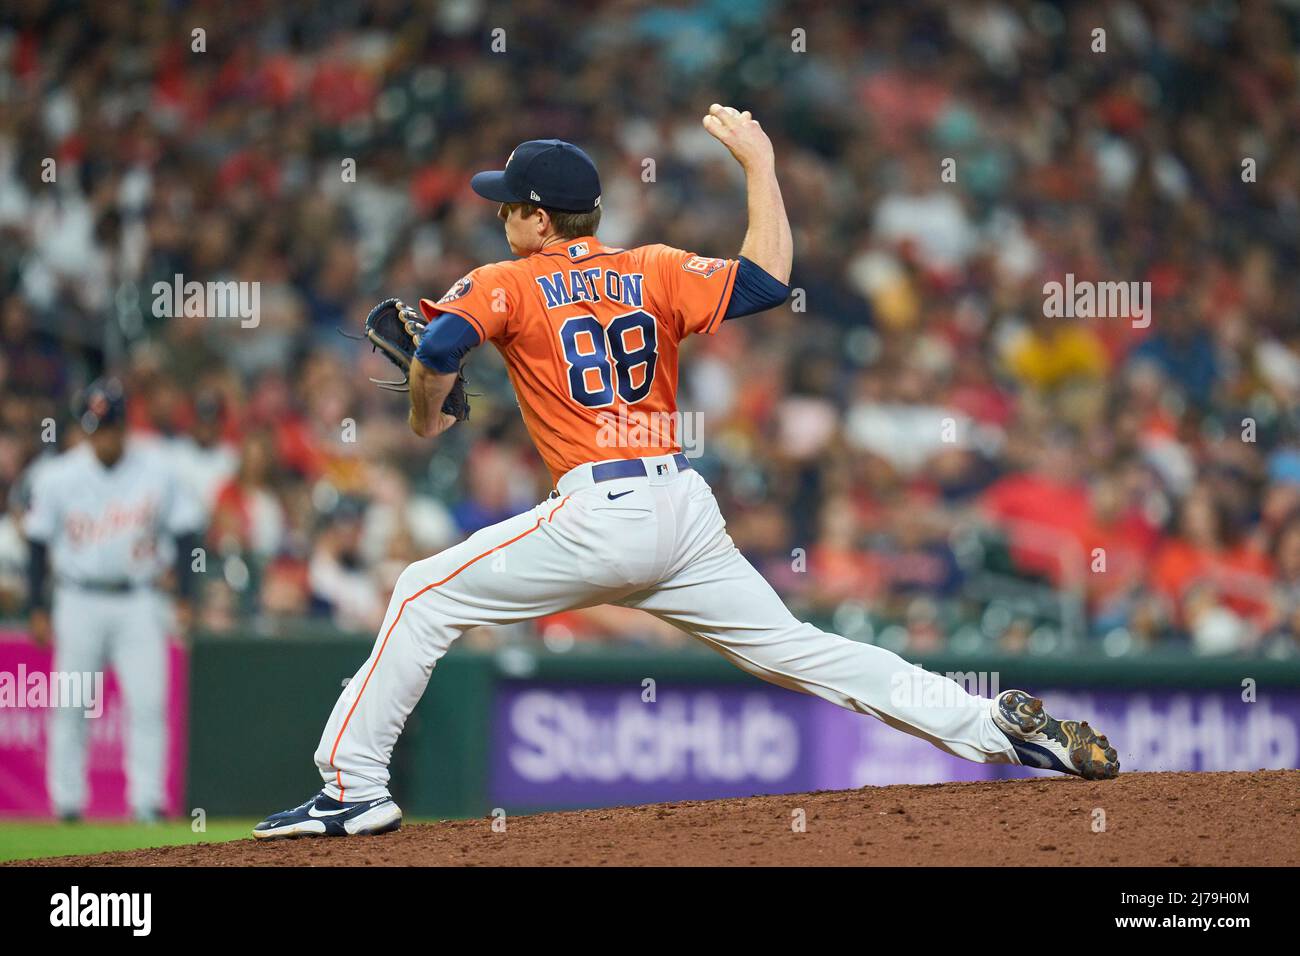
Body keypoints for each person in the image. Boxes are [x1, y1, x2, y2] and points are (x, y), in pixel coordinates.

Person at [254, 106, 1119, 840]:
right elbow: (767, 281)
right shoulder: (655, 267)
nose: (502, 218)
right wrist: (762, 166)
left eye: (510, 207)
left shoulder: (505, 280)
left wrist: (425, 401)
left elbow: (438, 347)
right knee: (803, 652)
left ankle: (350, 788)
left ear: (540, 220)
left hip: (600, 512)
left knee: (420, 592)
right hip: (684, 512)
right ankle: (994, 728)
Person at [23, 378, 205, 822]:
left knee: (148, 703)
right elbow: (37, 544)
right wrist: (37, 606)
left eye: (109, 427)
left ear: (124, 426)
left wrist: (184, 593)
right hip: (77, 597)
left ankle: (147, 802)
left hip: (139, 599)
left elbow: (186, 531)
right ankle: (66, 804)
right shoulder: (57, 475)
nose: (102, 437)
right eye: (94, 428)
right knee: (70, 704)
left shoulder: (157, 468)